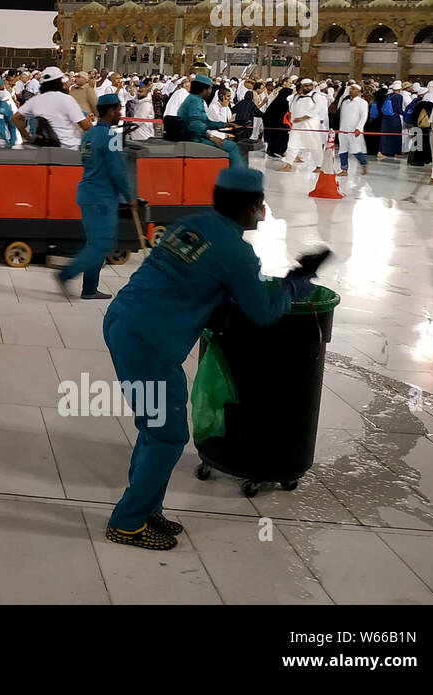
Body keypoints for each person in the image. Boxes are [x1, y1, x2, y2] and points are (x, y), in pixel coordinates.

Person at [102, 168, 307, 551]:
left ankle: (147, 510)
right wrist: (293, 284)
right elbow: (262, 312)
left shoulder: (193, 223)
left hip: (125, 320)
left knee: (155, 430)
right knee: (166, 435)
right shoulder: (237, 252)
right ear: (251, 208)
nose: (261, 212)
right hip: (149, 341)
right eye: (259, 205)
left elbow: (194, 277)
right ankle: (126, 523)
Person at [57, 93, 131, 301]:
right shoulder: (113, 137)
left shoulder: (88, 134)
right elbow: (119, 170)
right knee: (101, 245)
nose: (121, 113)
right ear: (110, 111)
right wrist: (130, 196)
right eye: (118, 110)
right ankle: (66, 274)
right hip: (103, 198)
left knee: (96, 243)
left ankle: (90, 289)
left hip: (87, 193)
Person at [178, 74, 243, 167]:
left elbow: (206, 122)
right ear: (204, 89)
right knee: (232, 147)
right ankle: (238, 177)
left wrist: (225, 124)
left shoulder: (195, 99)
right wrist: (212, 138)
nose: (210, 91)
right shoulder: (195, 101)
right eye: (209, 89)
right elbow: (195, 125)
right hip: (194, 140)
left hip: (196, 137)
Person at [23, 66, 91, 149]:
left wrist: (28, 138)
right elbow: (85, 125)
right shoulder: (67, 99)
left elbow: (16, 118)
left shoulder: (35, 100)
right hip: (69, 150)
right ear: (59, 81)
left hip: (45, 150)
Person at [337, 82, 369, 176]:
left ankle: (364, 164)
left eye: (354, 89)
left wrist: (359, 128)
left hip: (355, 130)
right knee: (342, 150)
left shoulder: (362, 102)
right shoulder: (345, 102)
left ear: (359, 91)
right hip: (343, 130)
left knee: (355, 150)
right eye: (350, 89)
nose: (351, 90)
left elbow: (363, 117)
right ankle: (344, 170)